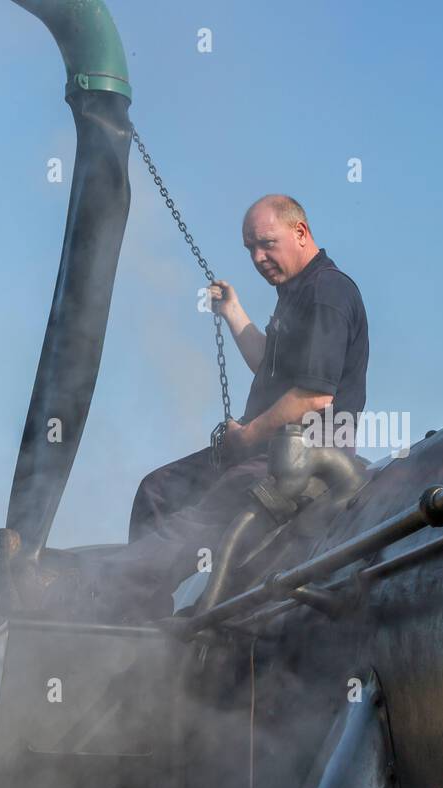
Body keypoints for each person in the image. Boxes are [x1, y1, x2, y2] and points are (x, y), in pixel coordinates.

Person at [112, 195, 369, 619]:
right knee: (156, 489)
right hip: (264, 448)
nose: (258, 257)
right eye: (250, 248)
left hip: (310, 453)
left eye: (267, 243)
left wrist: (248, 435)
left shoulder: (328, 291)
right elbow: (266, 365)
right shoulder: (293, 293)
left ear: (300, 232)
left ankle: (123, 604)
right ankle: (141, 616)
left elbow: (314, 397)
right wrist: (232, 310)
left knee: (198, 518)